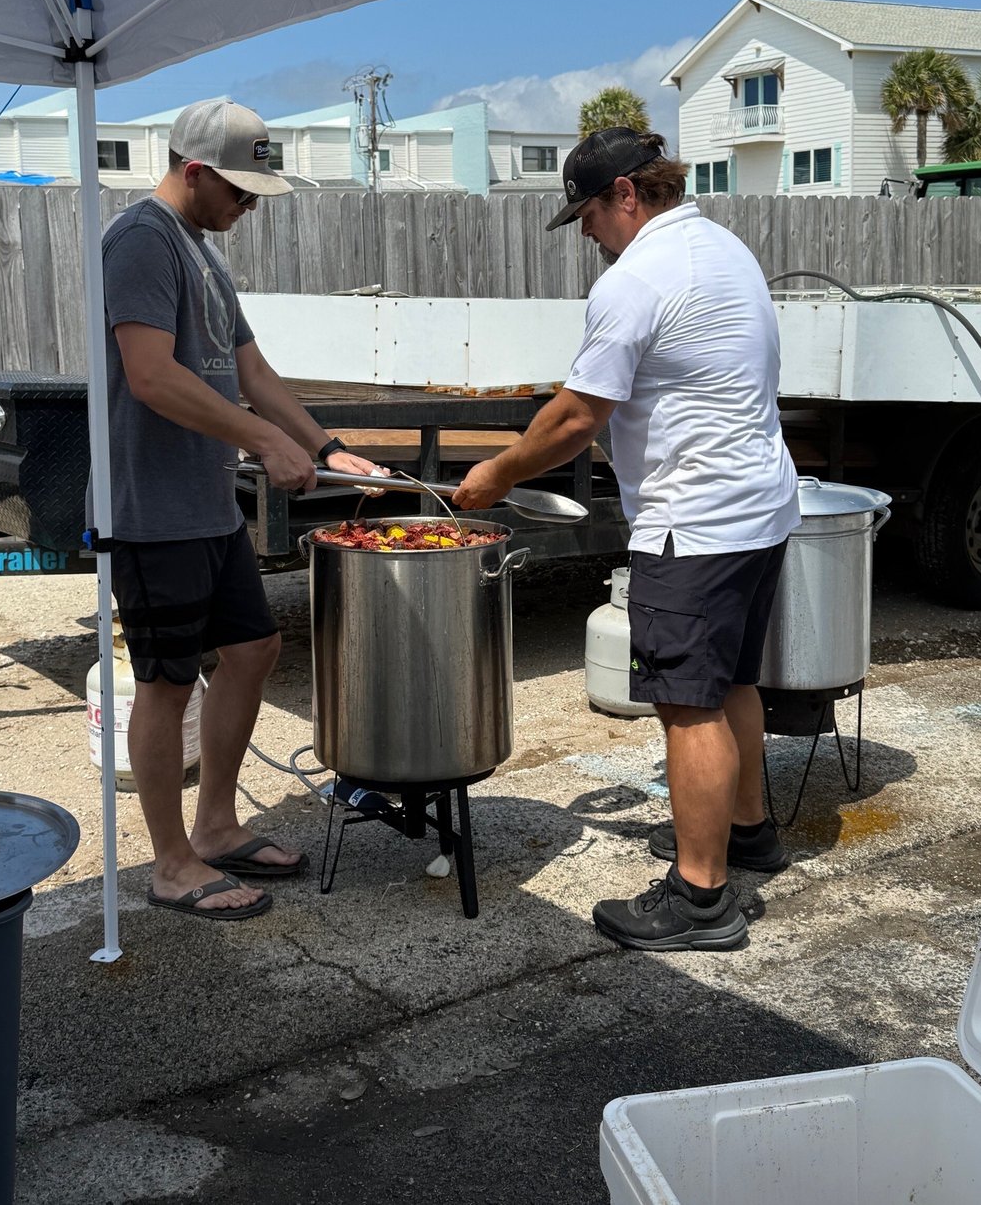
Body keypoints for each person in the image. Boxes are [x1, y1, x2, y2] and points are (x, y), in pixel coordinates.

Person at [453, 128, 799, 951]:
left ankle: (700, 899)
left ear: (625, 194)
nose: (584, 231)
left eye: (586, 213)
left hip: (694, 522)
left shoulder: (635, 279)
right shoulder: (723, 248)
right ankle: (745, 832)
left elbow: (576, 416)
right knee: (730, 681)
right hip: (758, 508)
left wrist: (496, 473)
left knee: (686, 707)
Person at [100, 98, 386, 921]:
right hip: (151, 506)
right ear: (194, 172)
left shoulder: (202, 252)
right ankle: (170, 865)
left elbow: (252, 373)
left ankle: (218, 827)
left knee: (254, 648)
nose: (250, 206)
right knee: (165, 682)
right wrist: (263, 442)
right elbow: (150, 375)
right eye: (240, 190)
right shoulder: (140, 240)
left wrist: (327, 447)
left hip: (207, 504)